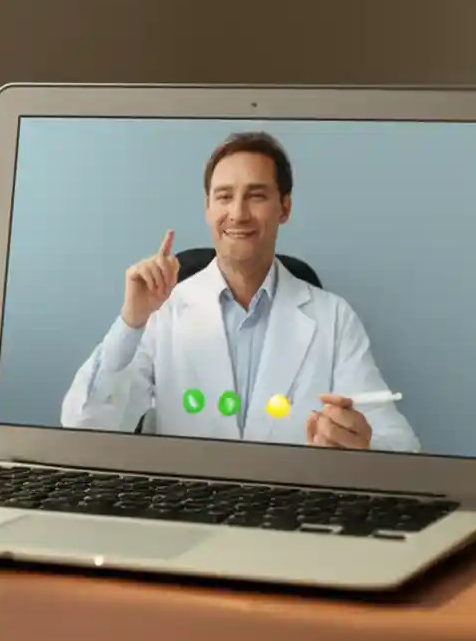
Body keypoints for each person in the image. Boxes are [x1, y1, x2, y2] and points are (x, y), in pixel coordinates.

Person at [60, 132, 421, 452]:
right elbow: (84, 426)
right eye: (224, 196)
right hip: (186, 507)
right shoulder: (163, 311)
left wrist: (364, 443)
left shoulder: (334, 318)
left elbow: (402, 445)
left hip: (290, 512)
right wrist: (131, 321)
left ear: (285, 207)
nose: (237, 213)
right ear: (207, 208)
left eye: (256, 195)